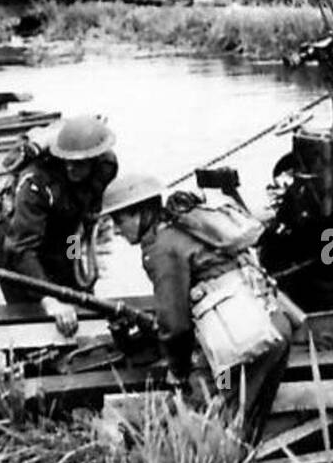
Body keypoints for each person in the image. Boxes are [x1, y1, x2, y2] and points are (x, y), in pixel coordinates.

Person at [100, 174, 296, 444]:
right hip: (273, 325)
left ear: (142, 213)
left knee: (222, 414)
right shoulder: (186, 226)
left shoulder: (160, 248)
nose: (117, 231)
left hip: (247, 343)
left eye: (119, 220)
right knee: (250, 414)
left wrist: (178, 372)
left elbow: (175, 324)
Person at [0, 115, 118, 335]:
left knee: (78, 292)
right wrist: (49, 299)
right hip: (15, 238)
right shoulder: (36, 182)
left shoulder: (106, 166)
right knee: (28, 311)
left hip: (65, 232)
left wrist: (77, 271)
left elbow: (79, 226)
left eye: (79, 163)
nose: (71, 168)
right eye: (67, 161)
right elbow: (21, 249)